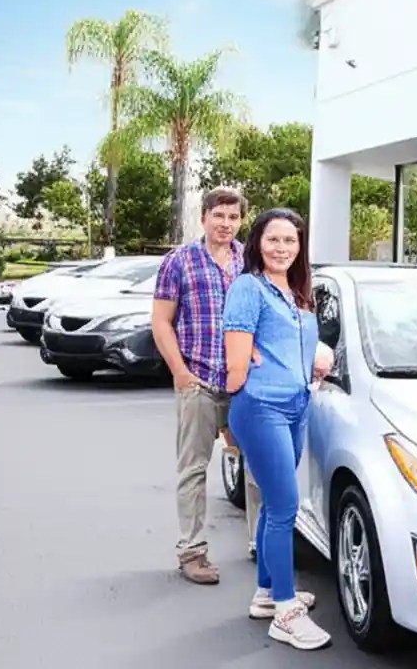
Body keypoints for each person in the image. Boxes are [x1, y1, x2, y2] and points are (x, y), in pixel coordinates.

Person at [223, 208, 331, 651]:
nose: (282, 248)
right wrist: (236, 398)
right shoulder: (248, 287)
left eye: (290, 241)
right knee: (286, 506)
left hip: (295, 406)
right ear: (257, 243)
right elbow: (234, 365)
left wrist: (315, 365)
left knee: (273, 504)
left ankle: (267, 595)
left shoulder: (298, 291)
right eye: (273, 240)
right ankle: (286, 612)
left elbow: (295, 346)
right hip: (261, 407)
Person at [153, 188, 264, 584]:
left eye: (233, 217)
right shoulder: (179, 262)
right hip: (198, 381)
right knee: (193, 469)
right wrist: (181, 373)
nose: (226, 224)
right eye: (219, 215)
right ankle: (192, 552)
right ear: (204, 217)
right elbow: (162, 322)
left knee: (256, 466)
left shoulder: (249, 263)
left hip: (242, 386)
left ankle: (261, 544)